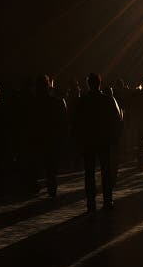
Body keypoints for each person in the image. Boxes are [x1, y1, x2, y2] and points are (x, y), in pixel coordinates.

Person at [72, 73, 122, 213]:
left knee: (89, 173)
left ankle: (91, 202)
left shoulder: (83, 101)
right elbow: (117, 120)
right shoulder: (108, 100)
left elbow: (76, 122)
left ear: (88, 84)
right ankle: (107, 200)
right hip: (104, 140)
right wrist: (115, 138)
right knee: (106, 171)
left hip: (88, 141)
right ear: (100, 83)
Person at [33, 75, 68, 197]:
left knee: (37, 161)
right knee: (50, 163)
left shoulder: (33, 102)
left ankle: (35, 184)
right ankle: (51, 186)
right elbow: (61, 118)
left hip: (37, 136)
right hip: (50, 136)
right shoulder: (53, 101)